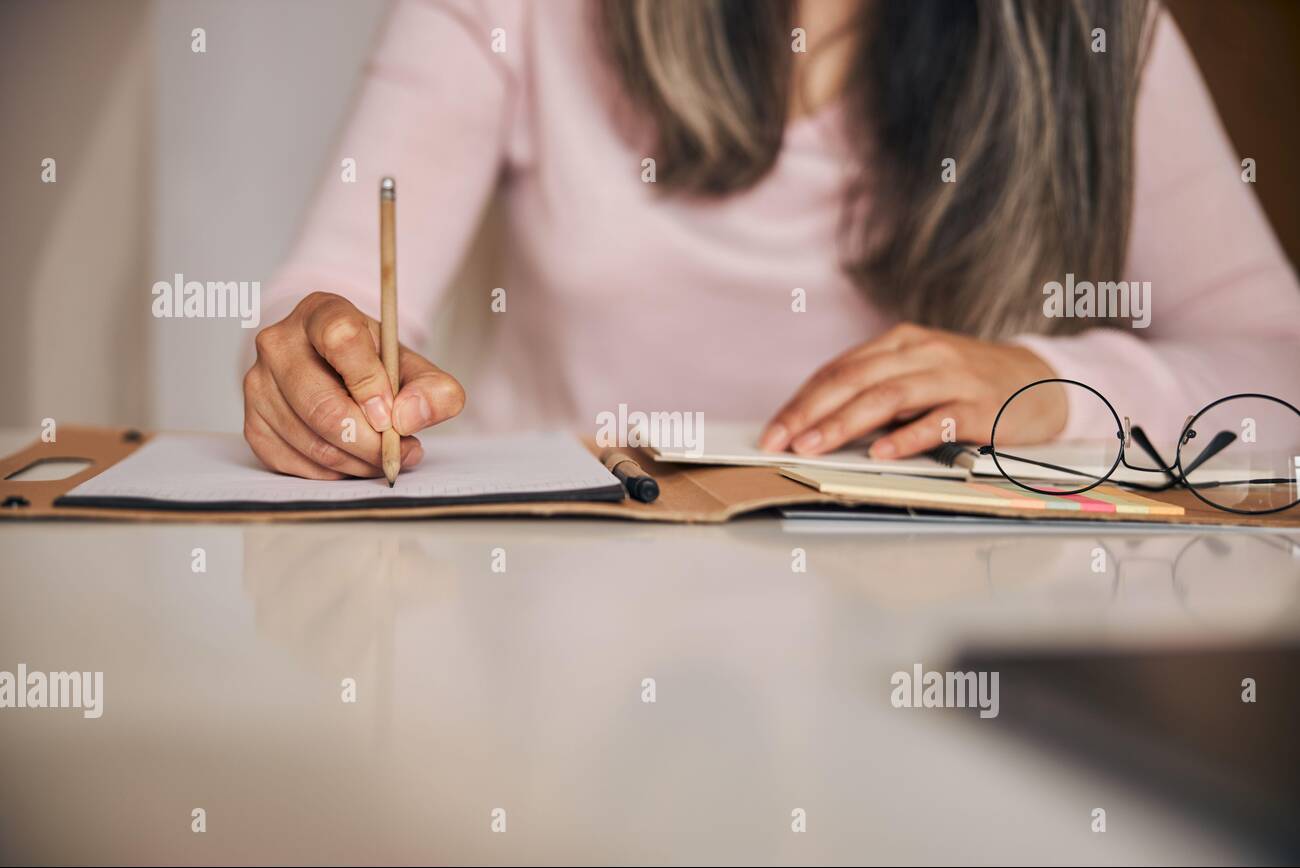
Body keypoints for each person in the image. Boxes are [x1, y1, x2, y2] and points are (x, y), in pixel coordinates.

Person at [243, 0, 1300, 479]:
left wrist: (1043, 385)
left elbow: (1279, 368)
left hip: (931, 658)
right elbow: (335, 295)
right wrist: (317, 359)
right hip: (547, 624)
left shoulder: (1090, 34)